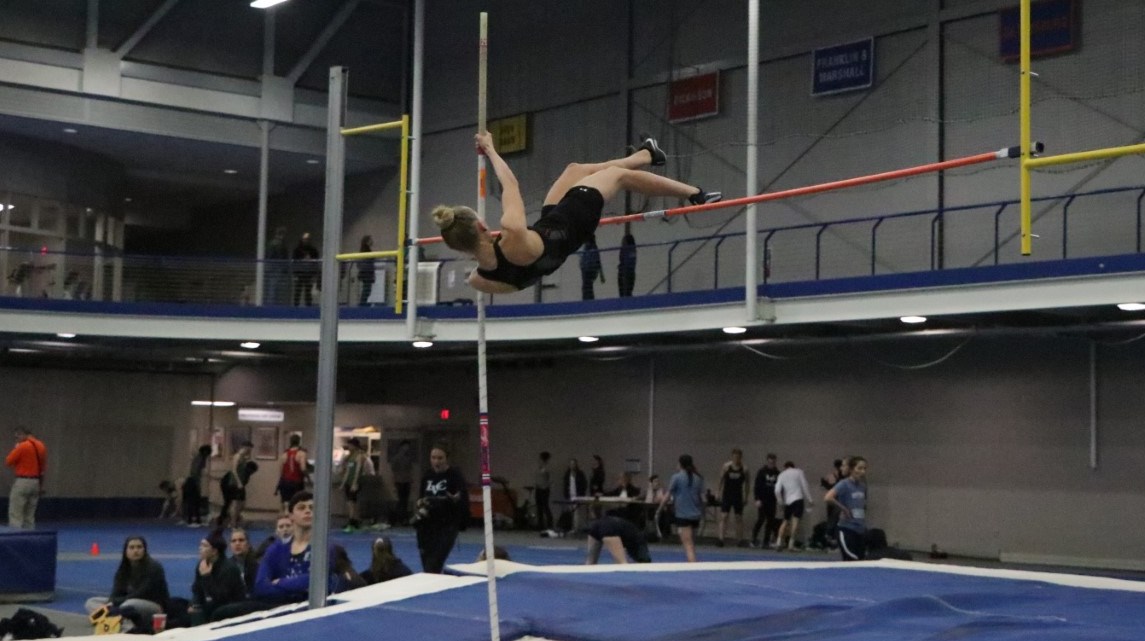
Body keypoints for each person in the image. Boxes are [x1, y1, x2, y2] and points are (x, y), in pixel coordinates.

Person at [432, 132, 721, 294]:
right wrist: (491, 150)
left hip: (555, 232)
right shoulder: (512, 229)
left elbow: (521, 280)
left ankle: (646, 155)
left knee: (575, 170)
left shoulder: (479, 281)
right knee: (616, 176)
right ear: (482, 225)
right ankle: (695, 193)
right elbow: (510, 182)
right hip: (573, 220)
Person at [252, 491, 337, 605]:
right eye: (301, 508)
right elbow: (260, 586)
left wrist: (280, 582)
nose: (308, 511)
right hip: (278, 605)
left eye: (312, 508)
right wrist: (297, 587)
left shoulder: (324, 548)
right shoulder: (276, 549)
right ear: (291, 515)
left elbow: (318, 582)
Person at [85, 536, 170, 626]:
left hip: (153, 605)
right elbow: (116, 591)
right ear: (126, 551)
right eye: (132, 547)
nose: (135, 551)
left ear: (145, 550)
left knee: (127, 605)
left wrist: (115, 603)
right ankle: (115, 618)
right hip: (126, 602)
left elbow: (141, 593)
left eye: (139, 547)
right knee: (91, 602)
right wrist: (111, 602)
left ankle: (118, 621)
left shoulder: (154, 567)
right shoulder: (123, 568)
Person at [414, 443, 467, 573]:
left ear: (446, 459)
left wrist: (456, 501)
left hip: (447, 525)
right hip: (427, 525)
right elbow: (420, 497)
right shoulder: (427, 475)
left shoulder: (455, 475)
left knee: (435, 562)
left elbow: (463, 497)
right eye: (433, 458)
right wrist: (420, 505)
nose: (436, 461)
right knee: (427, 564)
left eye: (440, 458)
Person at [188, 531, 246, 625]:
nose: (200, 548)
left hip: (229, 608)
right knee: (179, 605)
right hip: (211, 604)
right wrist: (194, 604)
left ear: (214, 551)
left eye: (204, 546)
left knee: (200, 614)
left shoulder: (229, 568)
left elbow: (221, 598)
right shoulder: (202, 564)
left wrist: (207, 577)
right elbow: (196, 589)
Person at [660, 454, 705, 563]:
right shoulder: (698, 478)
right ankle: (693, 561)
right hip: (695, 515)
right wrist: (702, 511)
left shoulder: (676, 477)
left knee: (687, 544)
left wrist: (660, 508)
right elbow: (703, 498)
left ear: (680, 464)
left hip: (683, 515)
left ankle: (692, 564)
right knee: (691, 543)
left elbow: (668, 495)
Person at [825, 456, 868, 561]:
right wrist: (843, 509)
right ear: (852, 469)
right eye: (859, 468)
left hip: (860, 529)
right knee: (852, 559)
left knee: (861, 560)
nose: (862, 471)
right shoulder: (844, 484)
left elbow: (862, 504)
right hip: (846, 529)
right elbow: (828, 497)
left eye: (864, 469)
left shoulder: (863, 486)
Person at [6, 426, 47, 529]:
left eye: (17, 437)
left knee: (16, 514)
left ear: (22, 434)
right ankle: (29, 538)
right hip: (35, 483)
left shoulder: (23, 446)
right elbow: (43, 468)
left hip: (22, 481)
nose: (17, 439)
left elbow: (8, 461)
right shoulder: (41, 446)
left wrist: (16, 448)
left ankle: (16, 539)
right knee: (29, 515)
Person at [774, 461, 813, 552]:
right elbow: (805, 486)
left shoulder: (781, 475)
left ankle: (778, 542)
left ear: (785, 467)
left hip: (787, 501)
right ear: (793, 466)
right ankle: (791, 545)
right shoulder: (799, 472)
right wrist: (810, 499)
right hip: (798, 499)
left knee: (785, 521)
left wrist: (780, 503)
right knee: (795, 522)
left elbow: (777, 490)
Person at [715, 448, 749, 548]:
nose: (736, 459)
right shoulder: (726, 467)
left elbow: (747, 484)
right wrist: (717, 492)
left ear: (740, 457)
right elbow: (720, 480)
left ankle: (740, 540)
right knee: (724, 516)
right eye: (734, 457)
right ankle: (721, 539)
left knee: (738, 517)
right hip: (727, 494)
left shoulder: (745, 469)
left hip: (738, 495)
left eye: (738, 457)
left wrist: (746, 496)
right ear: (732, 457)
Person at [339, 438, 373, 532]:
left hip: (356, 481)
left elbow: (358, 470)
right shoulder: (350, 456)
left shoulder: (360, 456)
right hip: (349, 481)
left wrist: (355, 482)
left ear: (354, 446)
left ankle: (353, 520)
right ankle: (352, 519)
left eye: (350, 445)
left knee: (352, 501)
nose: (348, 447)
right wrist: (343, 483)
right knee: (349, 502)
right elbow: (348, 471)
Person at [585, 515, 651, 565]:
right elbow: (645, 562)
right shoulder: (640, 540)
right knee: (622, 564)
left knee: (590, 563)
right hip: (610, 528)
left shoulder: (633, 531)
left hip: (596, 525)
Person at [219, 441, 256, 528]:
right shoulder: (237, 456)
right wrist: (239, 482)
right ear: (245, 447)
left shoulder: (244, 458)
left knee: (242, 503)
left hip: (240, 483)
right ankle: (232, 523)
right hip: (234, 483)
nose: (250, 451)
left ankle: (235, 519)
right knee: (235, 503)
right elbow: (234, 470)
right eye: (249, 449)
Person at [751, 453, 781, 548]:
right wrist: (757, 499)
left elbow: (779, 488)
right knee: (761, 519)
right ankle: (753, 539)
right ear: (767, 461)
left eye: (773, 462)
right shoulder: (762, 472)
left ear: (775, 462)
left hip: (772, 501)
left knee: (770, 521)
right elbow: (757, 486)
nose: (771, 464)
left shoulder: (778, 473)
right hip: (762, 500)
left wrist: (779, 500)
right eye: (770, 462)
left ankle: (766, 541)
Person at [276, 434, 309, 514]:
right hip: (296, 482)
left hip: (285, 482)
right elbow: (303, 468)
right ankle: (294, 519)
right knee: (297, 502)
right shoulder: (301, 454)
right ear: (299, 442)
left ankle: (285, 517)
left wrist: (280, 482)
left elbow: (281, 471)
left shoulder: (284, 454)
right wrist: (308, 477)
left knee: (286, 503)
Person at [183, 444, 212, 527]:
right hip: (193, 481)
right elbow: (195, 472)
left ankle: (195, 520)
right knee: (193, 502)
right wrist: (197, 484)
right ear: (205, 452)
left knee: (194, 502)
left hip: (193, 481)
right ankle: (191, 521)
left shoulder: (199, 458)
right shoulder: (200, 458)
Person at [228, 528, 260, 598]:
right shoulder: (226, 565)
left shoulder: (257, 565)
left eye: (241, 540)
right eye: (234, 541)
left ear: (248, 544)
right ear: (230, 545)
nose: (237, 543)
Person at [389, 440, 415, 526]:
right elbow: (393, 472)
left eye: (408, 447)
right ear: (401, 447)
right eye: (405, 446)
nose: (407, 448)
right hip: (399, 481)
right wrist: (393, 484)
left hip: (406, 481)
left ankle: (403, 519)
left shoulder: (409, 458)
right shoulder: (396, 458)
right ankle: (398, 519)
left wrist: (411, 480)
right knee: (400, 501)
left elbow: (410, 470)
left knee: (405, 501)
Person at [291, 232, 320, 306]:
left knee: (308, 292)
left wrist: (314, 274)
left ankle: (308, 306)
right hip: (299, 273)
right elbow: (294, 262)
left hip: (309, 274)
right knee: (297, 291)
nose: (306, 240)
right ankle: (296, 307)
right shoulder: (297, 250)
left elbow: (316, 262)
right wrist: (295, 274)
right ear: (302, 239)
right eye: (305, 239)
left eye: (307, 239)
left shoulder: (313, 251)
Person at [560, 458, 587, 532]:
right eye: (571, 464)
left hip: (577, 495)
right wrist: (566, 495)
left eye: (573, 464)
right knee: (570, 511)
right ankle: (570, 526)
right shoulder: (567, 474)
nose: (572, 465)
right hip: (569, 495)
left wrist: (581, 494)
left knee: (576, 512)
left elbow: (584, 484)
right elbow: (565, 485)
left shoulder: (580, 474)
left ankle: (576, 527)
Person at [266, 226, 290, 305]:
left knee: (272, 285)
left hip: (273, 266)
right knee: (275, 285)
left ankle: (271, 303)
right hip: (278, 266)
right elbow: (282, 256)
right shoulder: (280, 244)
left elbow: (269, 255)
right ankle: (273, 303)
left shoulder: (271, 243)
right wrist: (285, 268)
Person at [579, 234, 604, 300]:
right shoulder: (587, 248)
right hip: (587, 270)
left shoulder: (593, 248)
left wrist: (601, 275)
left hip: (589, 270)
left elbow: (597, 261)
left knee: (587, 286)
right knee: (587, 286)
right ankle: (587, 299)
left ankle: (588, 299)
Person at [534, 451, 553, 531]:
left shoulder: (548, 468)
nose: (539, 460)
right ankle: (540, 525)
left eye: (540, 458)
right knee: (539, 507)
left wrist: (545, 486)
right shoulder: (539, 467)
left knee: (545, 506)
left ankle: (549, 524)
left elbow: (551, 480)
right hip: (538, 489)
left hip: (544, 489)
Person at [356, 235, 376, 306]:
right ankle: (362, 303)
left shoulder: (365, 251)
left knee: (367, 289)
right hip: (367, 273)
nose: (372, 241)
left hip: (367, 272)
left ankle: (363, 303)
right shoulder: (366, 251)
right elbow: (362, 262)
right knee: (366, 289)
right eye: (370, 240)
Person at [617, 229, 637, 297]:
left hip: (625, 272)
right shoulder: (633, 250)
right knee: (628, 291)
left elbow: (622, 258)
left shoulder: (626, 249)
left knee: (624, 292)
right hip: (631, 272)